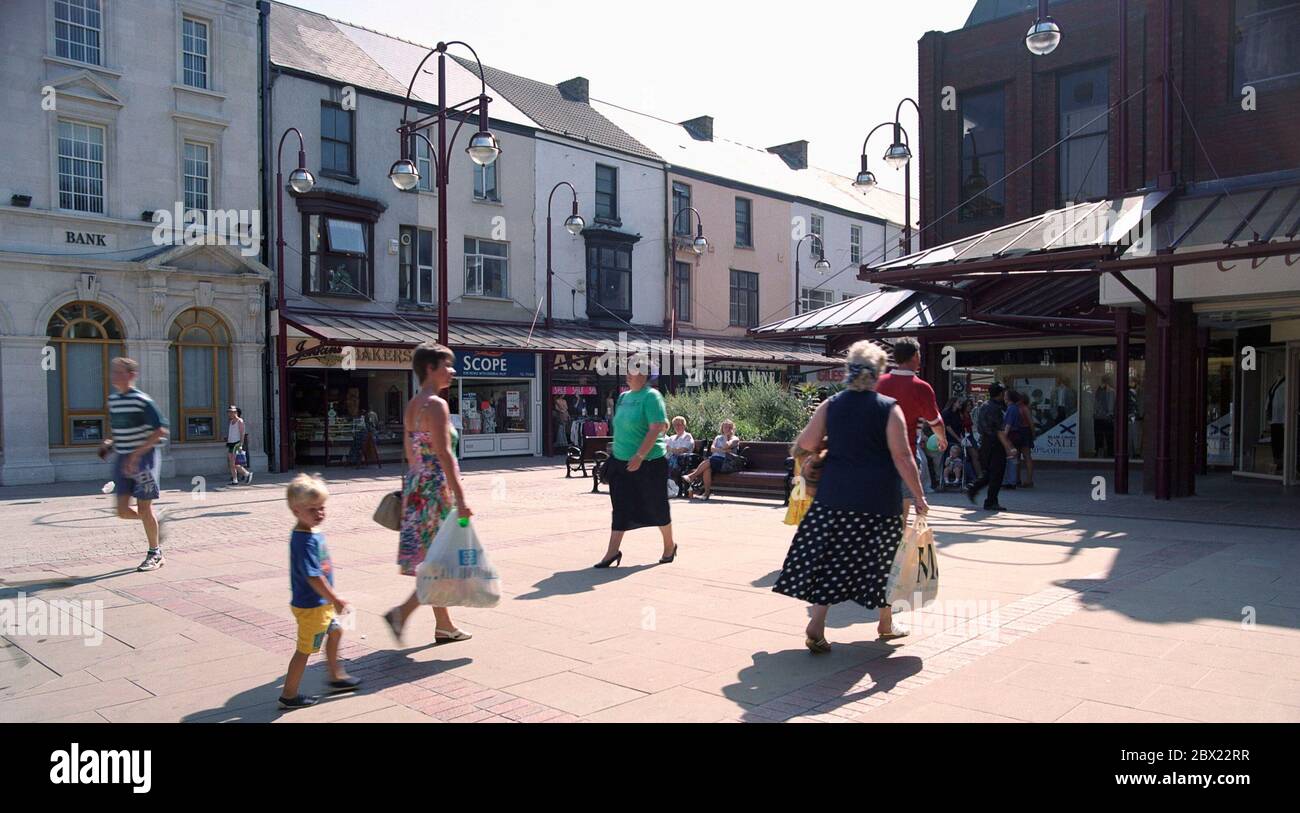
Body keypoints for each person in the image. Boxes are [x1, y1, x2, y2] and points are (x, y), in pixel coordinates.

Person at [772, 340, 928, 652]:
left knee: (830, 560)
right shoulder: (888, 408)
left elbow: (803, 445)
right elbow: (903, 457)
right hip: (877, 502)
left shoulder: (832, 405)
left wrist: (821, 455)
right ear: (878, 372)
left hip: (833, 499)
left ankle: (816, 624)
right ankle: (885, 624)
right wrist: (919, 498)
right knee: (883, 563)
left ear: (849, 370)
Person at [383, 342, 474, 645]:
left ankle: (444, 625)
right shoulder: (436, 405)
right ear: (430, 369)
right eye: (447, 365)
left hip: (418, 487)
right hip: (435, 489)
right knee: (441, 561)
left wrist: (417, 487)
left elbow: (412, 452)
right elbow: (445, 455)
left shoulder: (413, 405)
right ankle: (402, 614)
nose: (452, 371)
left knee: (434, 559)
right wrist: (460, 499)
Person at [279, 473, 361, 710]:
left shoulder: (310, 533)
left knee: (335, 632)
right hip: (313, 606)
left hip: (319, 604)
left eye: (322, 507)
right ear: (296, 511)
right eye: (313, 509)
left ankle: (336, 675)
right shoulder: (303, 540)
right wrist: (334, 598)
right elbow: (313, 576)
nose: (320, 513)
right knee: (305, 650)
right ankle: (289, 694)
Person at [594, 357, 676, 568]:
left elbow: (656, 427)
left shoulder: (652, 397)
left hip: (649, 462)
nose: (628, 373)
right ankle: (612, 552)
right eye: (627, 369)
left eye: (634, 370)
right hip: (621, 461)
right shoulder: (622, 397)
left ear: (646, 375)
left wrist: (639, 456)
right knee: (620, 507)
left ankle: (669, 546)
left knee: (657, 506)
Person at [99, 357, 170, 572]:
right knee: (121, 511)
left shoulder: (142, 400)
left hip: (145, 458)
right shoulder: (113, 400)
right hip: (123, 457)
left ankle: (155, 553)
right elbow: (121, 428)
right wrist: (110, 444)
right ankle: (155, 522)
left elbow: (161, 430)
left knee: (143, 507)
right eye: (113, 372)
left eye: (119, 372)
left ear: (131, 375)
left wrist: (137, 455)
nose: (114, 376)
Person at [876, 337, 946, 516]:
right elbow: (935, 421)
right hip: (907, 456)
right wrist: (942, 438)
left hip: (876, 456)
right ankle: (899, 541)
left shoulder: (879, 383)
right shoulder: (921, 387)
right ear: (915, 356)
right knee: (902, 514)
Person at [966, 383, 1015, 511]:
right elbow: (999, 430)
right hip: (995, 443)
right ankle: (991, 501)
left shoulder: (985, 406)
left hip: (985, 443)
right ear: (1000, 394)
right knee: (997, 474)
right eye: (1003, 392)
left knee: (989, 473)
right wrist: (1008, 447)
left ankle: (974, 487)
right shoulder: (996, 408)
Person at [683, 419, 740, 500]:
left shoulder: (735, 439)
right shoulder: (717, 437)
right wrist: (723, 451)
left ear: (732, 429)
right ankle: (706, 494)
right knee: (707, 469)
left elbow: (726, 446)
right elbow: (712, 449)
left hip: (727, 463)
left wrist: (726, 437)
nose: (727, 429)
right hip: (715, 461)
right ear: (722, 428)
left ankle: (692, 476)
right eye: (725, 427)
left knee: (710, 461)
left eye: (729, 427)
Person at [664, 416, 696, 483]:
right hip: (670, 460)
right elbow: (666, 449)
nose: (677, 427)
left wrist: (670, 449)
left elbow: (682, 451)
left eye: (679, 424)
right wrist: (672, 450)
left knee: (671, 460)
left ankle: (671, 485)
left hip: (683, 462)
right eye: (675, 425)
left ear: (684, 425)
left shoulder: (687, 436)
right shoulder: (671, 438)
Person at [226, 405, 252, 485]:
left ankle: (247, 474)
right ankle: (235, 480)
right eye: (229, 412)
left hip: (236, 443)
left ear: (235, 413)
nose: (229, 414)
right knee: (231, 463)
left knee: (234, 463)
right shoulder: (231, 422)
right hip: (230, 443)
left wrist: (241, 444)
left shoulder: (240, 421)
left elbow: (242, 433)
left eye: (231, 412)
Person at [1094, 377, 1116, 457]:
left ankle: (1110, 454)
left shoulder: (1111, 391)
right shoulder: (1097, 391)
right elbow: (1095, 403)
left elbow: (1112, 404)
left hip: (1107, 418)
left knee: (1109, 437)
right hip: (1098, 417)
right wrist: (1095, 413)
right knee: (1098, 437)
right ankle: (1099, 453)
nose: (1101, 383)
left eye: (1102, 382)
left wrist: (1110, 414)